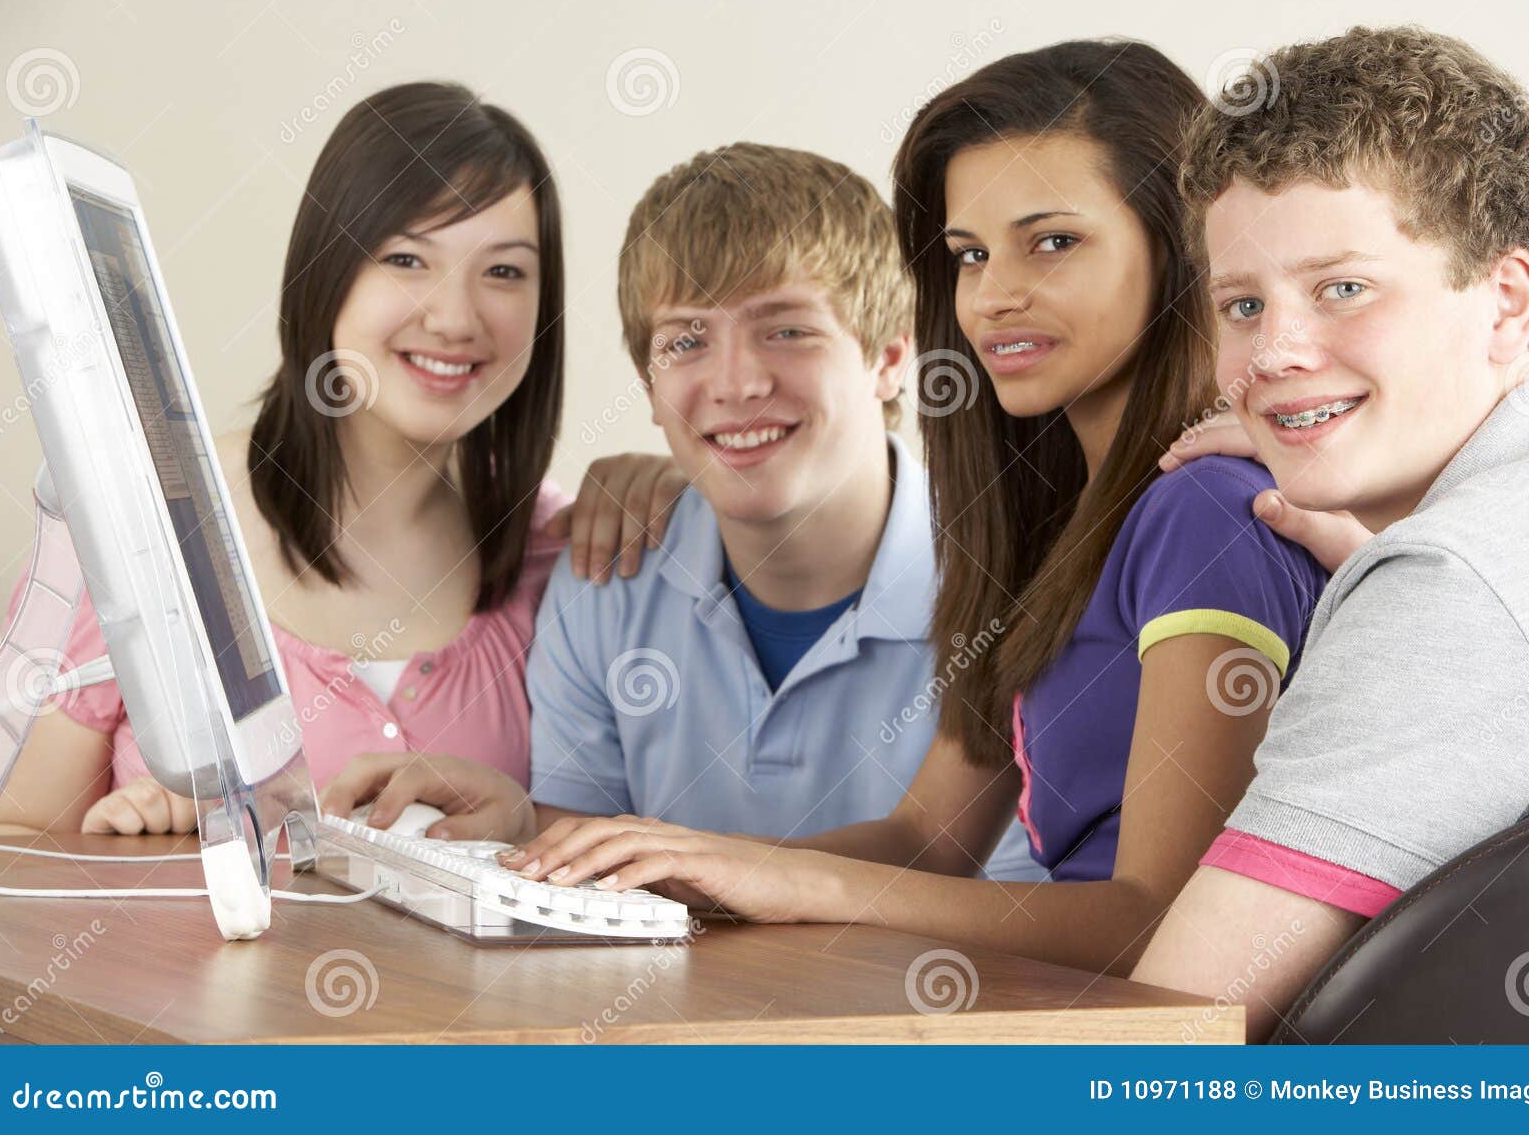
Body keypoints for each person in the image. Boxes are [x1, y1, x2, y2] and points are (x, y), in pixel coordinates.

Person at [467, 41, 1333, 977]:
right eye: (969, 255)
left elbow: (1159, 928)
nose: (996, 295)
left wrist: (803, 885)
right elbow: (926, 840)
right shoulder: (1056, 527)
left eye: (1053, 242)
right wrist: (692, 867)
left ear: (1177, 245)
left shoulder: (1204, 508)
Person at [325, 140, 1045, 878]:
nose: (735, 383)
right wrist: (520, 830)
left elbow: (1020, 932)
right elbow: (589, 894)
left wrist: (709, 871)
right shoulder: (604, 586)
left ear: (889, 359)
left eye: (787, 329)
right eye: (688, 341)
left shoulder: (1017, 583)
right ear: (647, 385)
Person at [0, 82, 676, 837]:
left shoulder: (565, 551)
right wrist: (145, 847)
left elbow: (607, 869)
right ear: (325, 271)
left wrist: (691, 487)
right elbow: (13, 861)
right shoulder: (141, 520)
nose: (454, 316)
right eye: (407, 258)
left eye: (505, 271)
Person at [1131, 25, 1529, 1041]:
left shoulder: (1452, 589)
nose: (1274, 355)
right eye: (1241, 304)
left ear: (1506, 300)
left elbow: (1161, 1043)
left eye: (1342, 288)